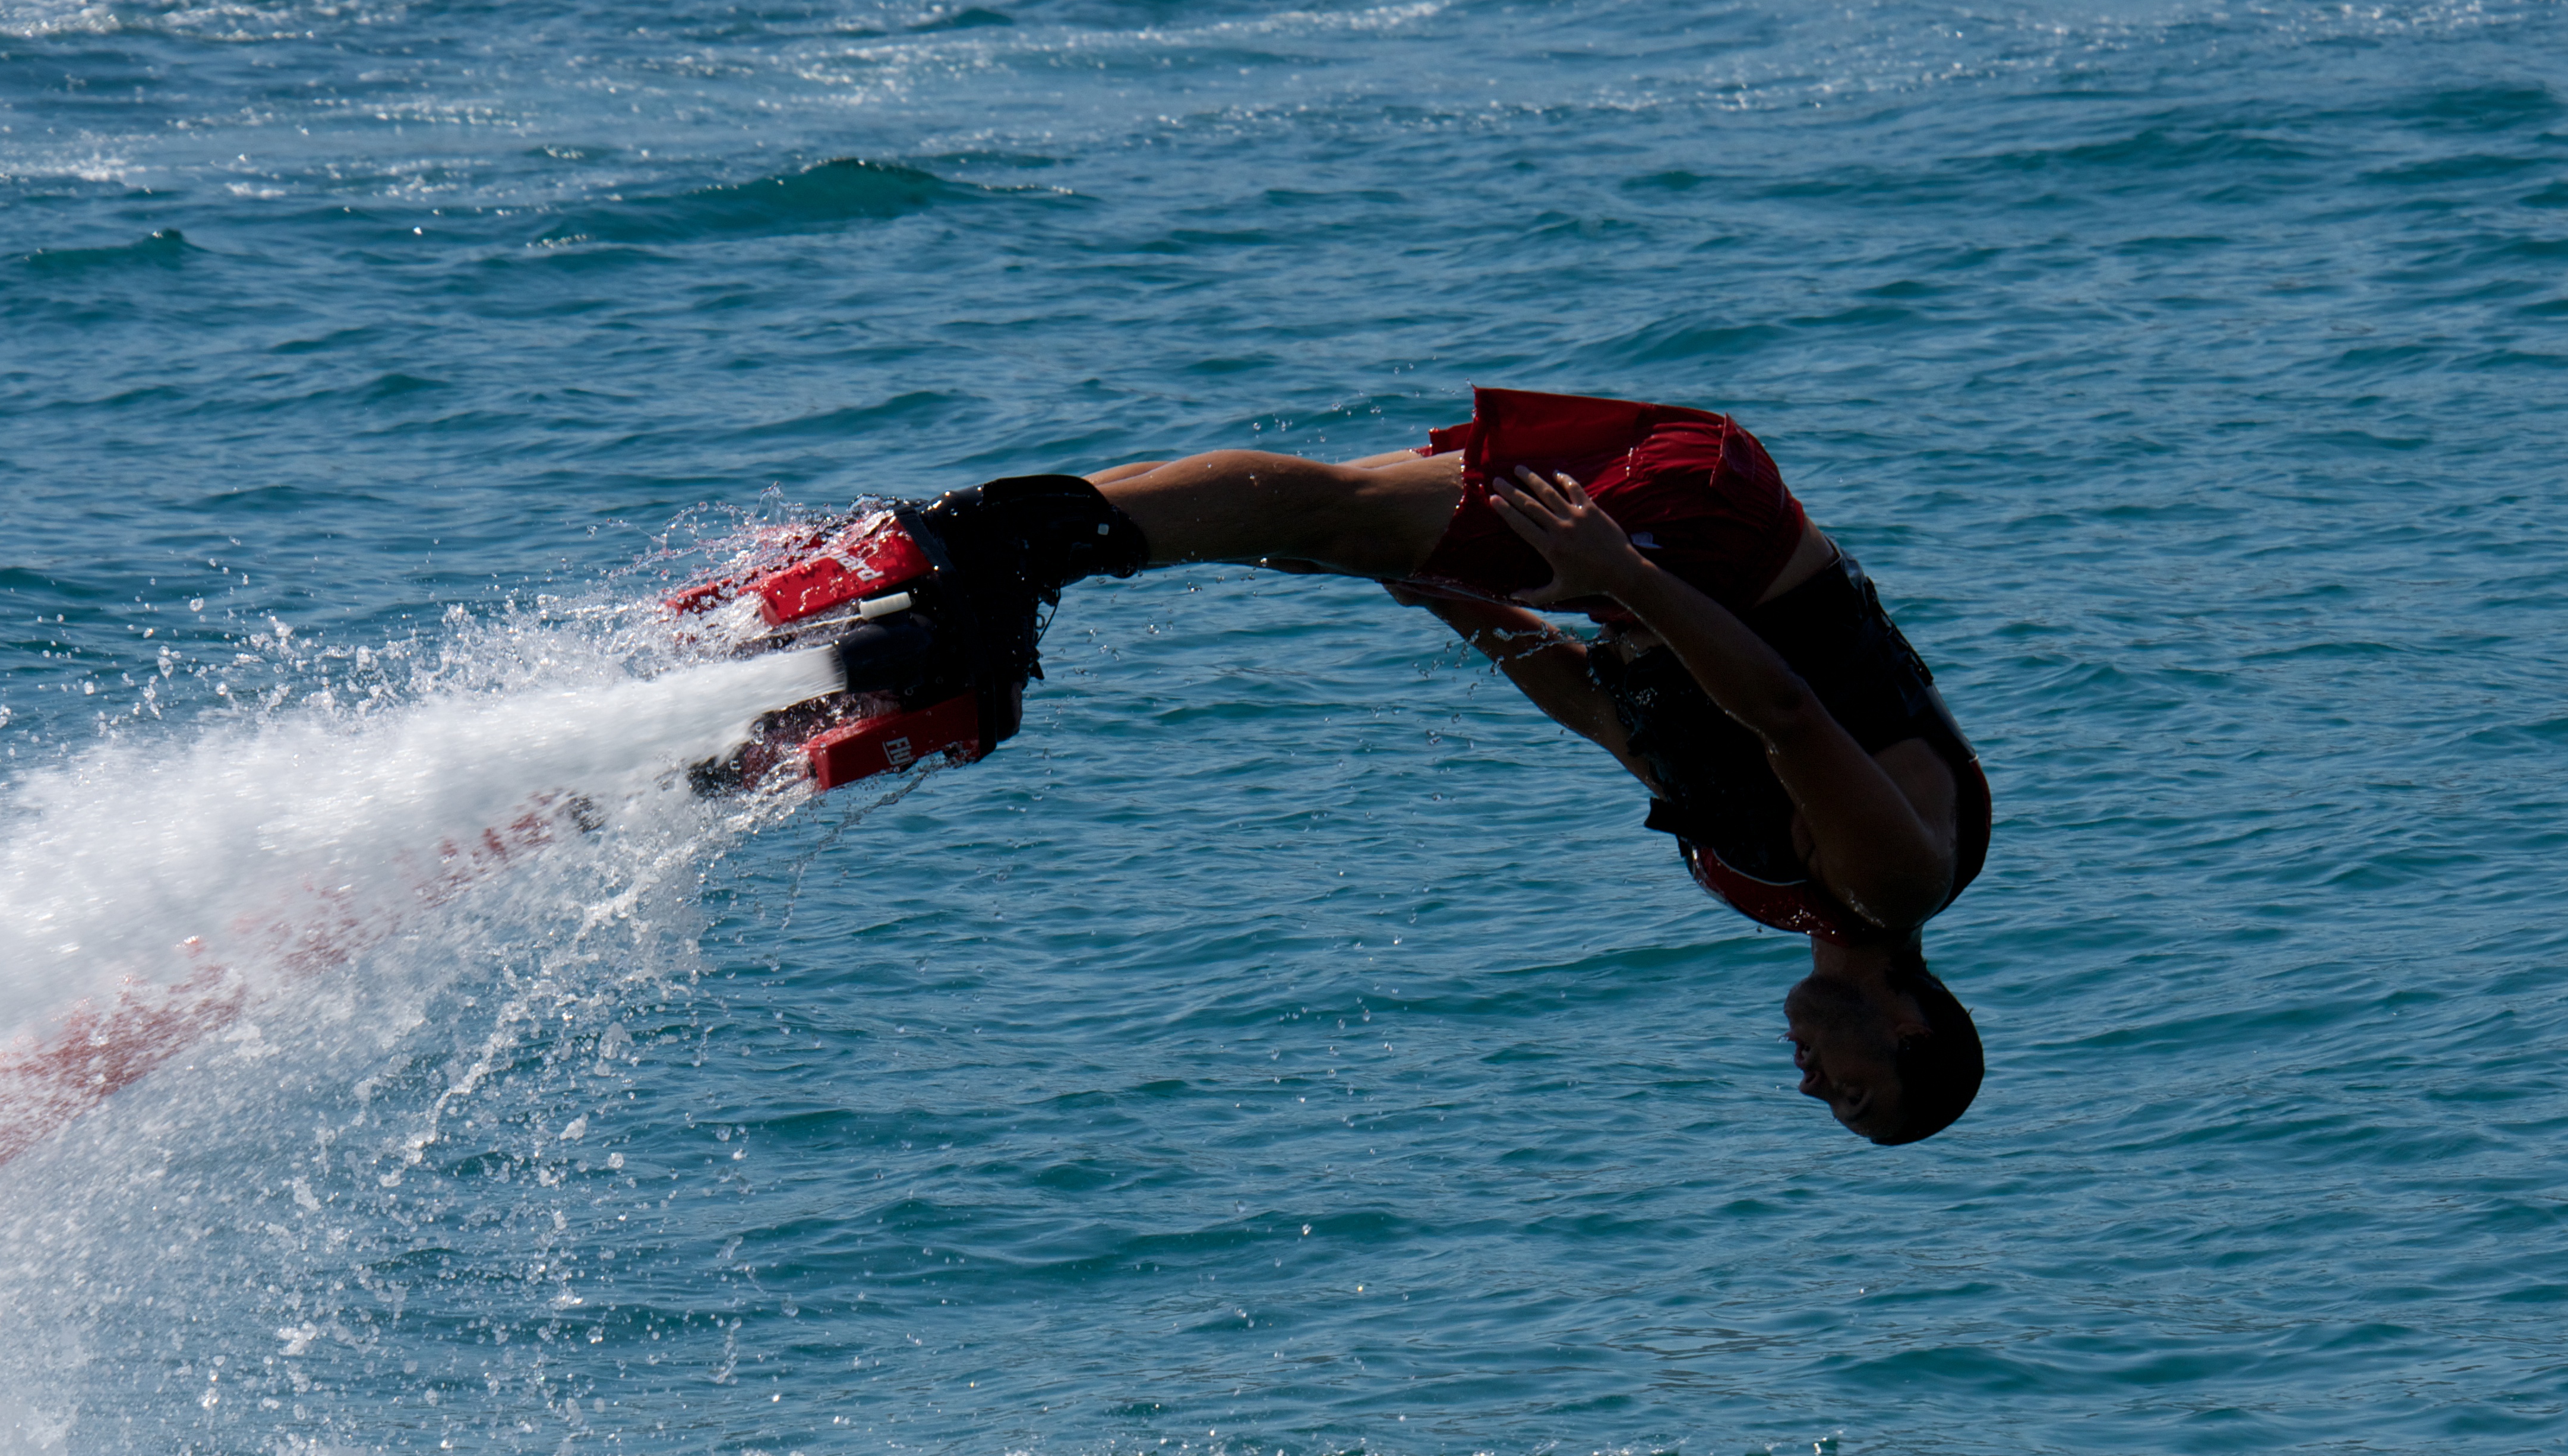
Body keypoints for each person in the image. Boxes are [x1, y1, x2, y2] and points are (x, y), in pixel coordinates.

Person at [813, 388, 1989, 1144]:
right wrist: (1621, 576)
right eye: (1852, 1089)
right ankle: (990, 550)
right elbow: (1785, 712)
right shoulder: (1897, 881)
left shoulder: (1773, 889)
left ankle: (982, 557)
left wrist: (1445, 598)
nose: (1810, 1084)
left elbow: (1606, 716)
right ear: (1912, 1028)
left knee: (1322, 533)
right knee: (1334, 515)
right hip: (1701, 535)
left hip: (1661, 570)